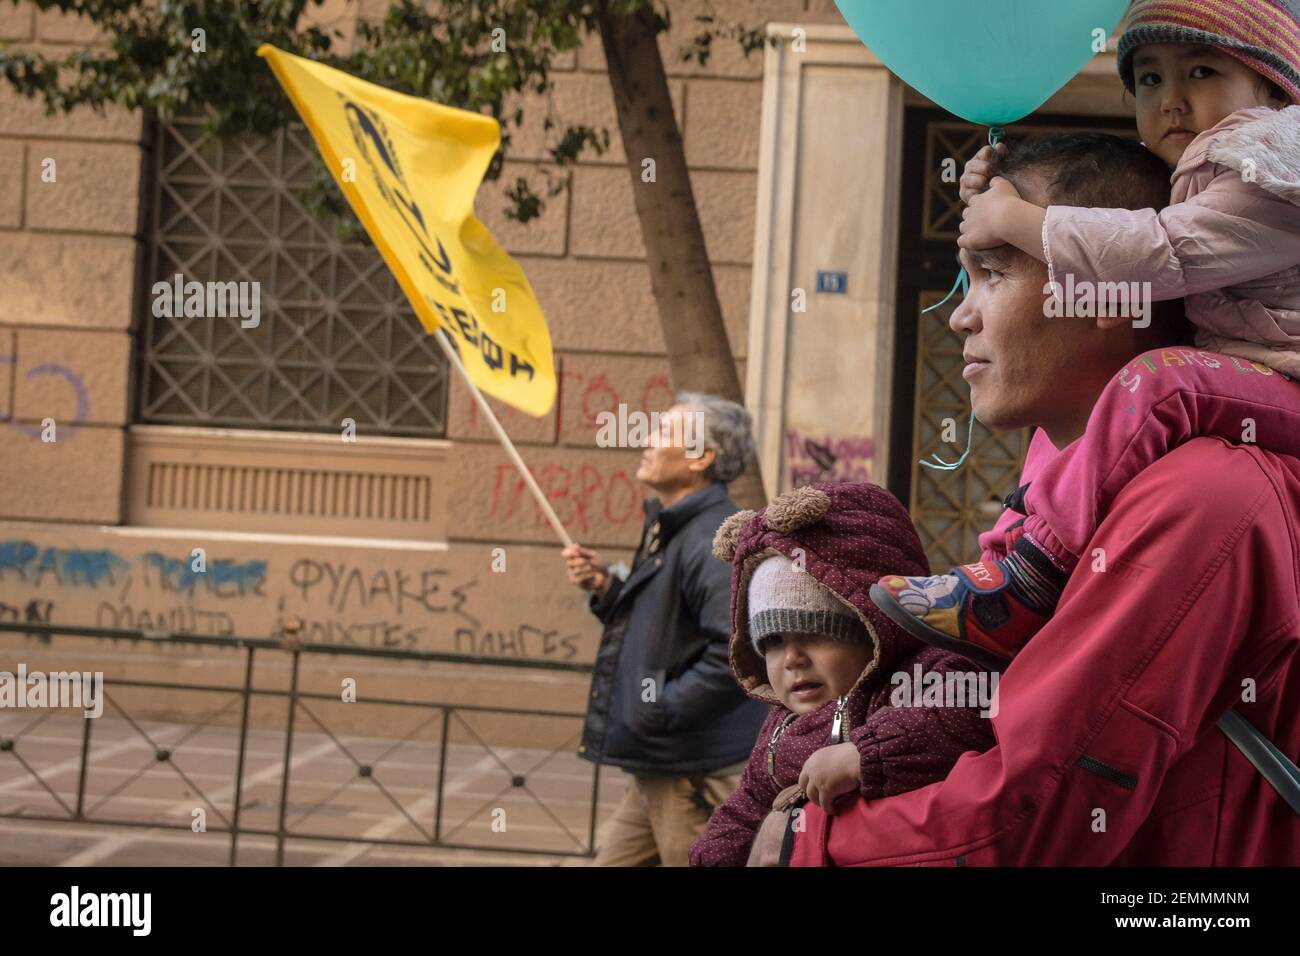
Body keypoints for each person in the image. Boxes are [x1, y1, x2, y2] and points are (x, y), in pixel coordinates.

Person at [790, 131, 1300, 865]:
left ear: (1103, 288)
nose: (959, 316)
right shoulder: (1063, 470)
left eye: (993, 275)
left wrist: (809, 849)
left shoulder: (1201, 498)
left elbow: (1037, 810)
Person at [873, 0, 1300, 669]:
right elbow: (1122, 207)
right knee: (1099, 415)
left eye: (1201, 71)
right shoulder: (1203, 172)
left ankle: (1034, 579)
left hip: (1288, 385)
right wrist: (999, 188)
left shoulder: (1271, 175)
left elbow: (1155, 251)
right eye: (1150, 80)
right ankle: (1002, 569)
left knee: (1159, 381)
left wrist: (1015, 217)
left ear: (1274, 88)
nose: (1174, 100)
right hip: (1260, 381)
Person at [688, 482, 996, 867]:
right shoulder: (781, 727)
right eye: (774, 642)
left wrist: (862, 755)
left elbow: (965, 712)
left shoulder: (919, 675)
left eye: (817, 635)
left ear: (873, 628)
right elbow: (746, 807)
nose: (792, 659)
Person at [563, 392, 767, 866]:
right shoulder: (674, 527)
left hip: (688, 767)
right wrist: (608, 587)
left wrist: (657, 709)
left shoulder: (711, 537)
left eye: (662, 433)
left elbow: (738, 652)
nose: (647, 441)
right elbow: (666, 630)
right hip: (661, 763)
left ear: (700, 457)